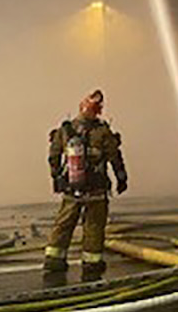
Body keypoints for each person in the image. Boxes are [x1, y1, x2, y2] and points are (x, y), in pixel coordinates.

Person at [43, 90, 127, 280]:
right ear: (98, 111)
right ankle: (91, 263)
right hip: (96, 190)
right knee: (94, 226)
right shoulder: (103, 132)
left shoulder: (65, 130)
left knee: (63, 223)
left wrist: (56, 177)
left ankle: (54, 259)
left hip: (72, 189)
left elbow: (54, 156)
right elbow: (115, 157)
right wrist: (121, 178)